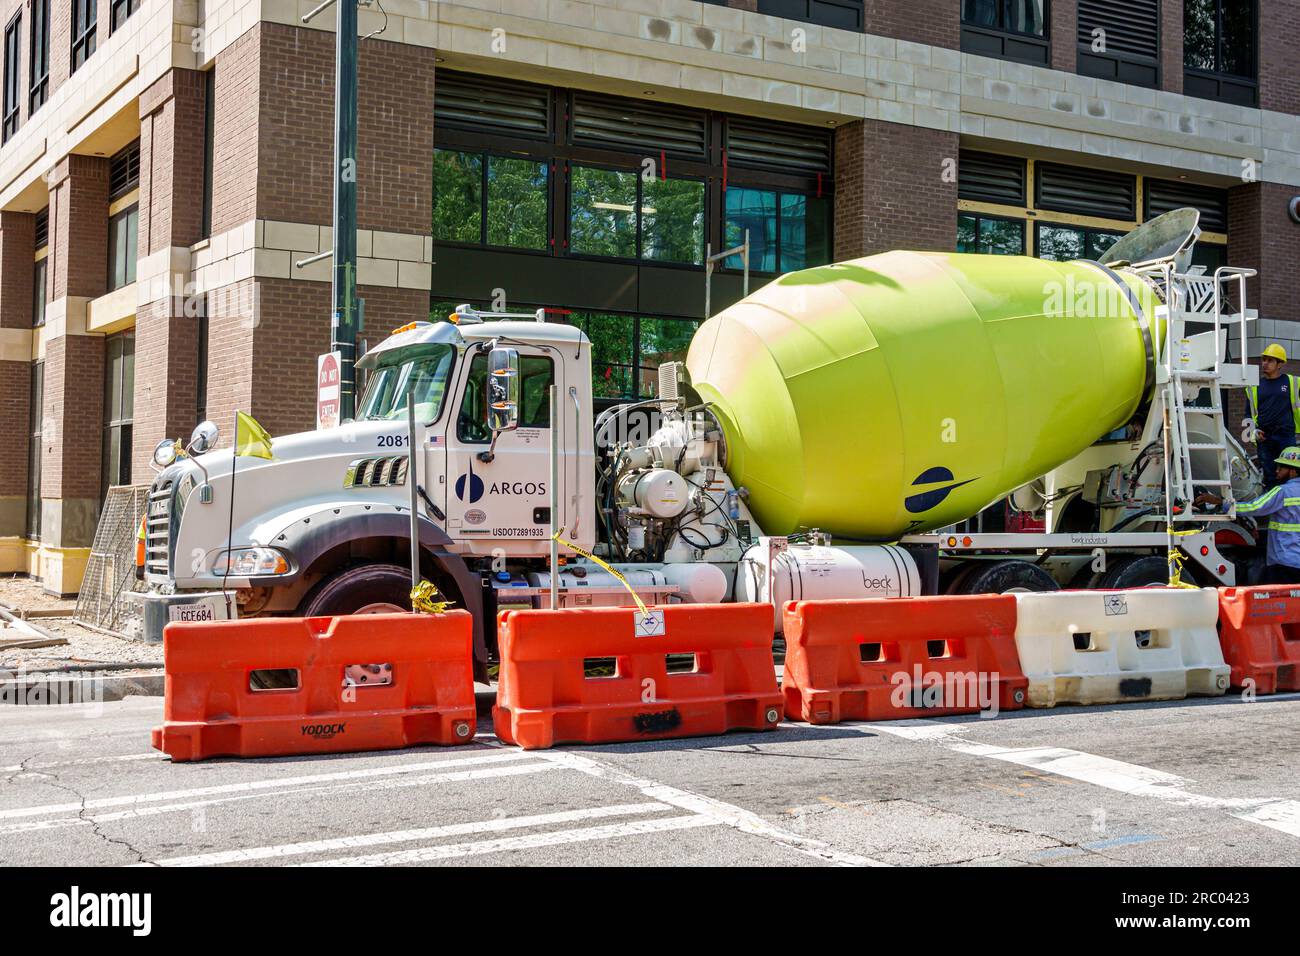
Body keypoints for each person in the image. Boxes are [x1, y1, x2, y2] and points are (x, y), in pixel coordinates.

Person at [1196, 446, 1300, 584]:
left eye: (1281, 468)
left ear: (1293, 471)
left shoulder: (1283, 492)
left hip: (1284, 561)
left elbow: (1254, 507)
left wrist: (1222, 503)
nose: (1276, 471)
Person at [1245, 344, 1300, 487]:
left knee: (1290, 475)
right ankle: (1270, 506)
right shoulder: (1254, 386)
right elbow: (1248, 415)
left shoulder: (1292, 382)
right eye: (1264, 360)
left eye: (1270, 360)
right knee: (1269, 477)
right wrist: (1254, 432)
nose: (1265, 363)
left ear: (1280, 364)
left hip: (1286, 436)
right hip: (1264, 438)